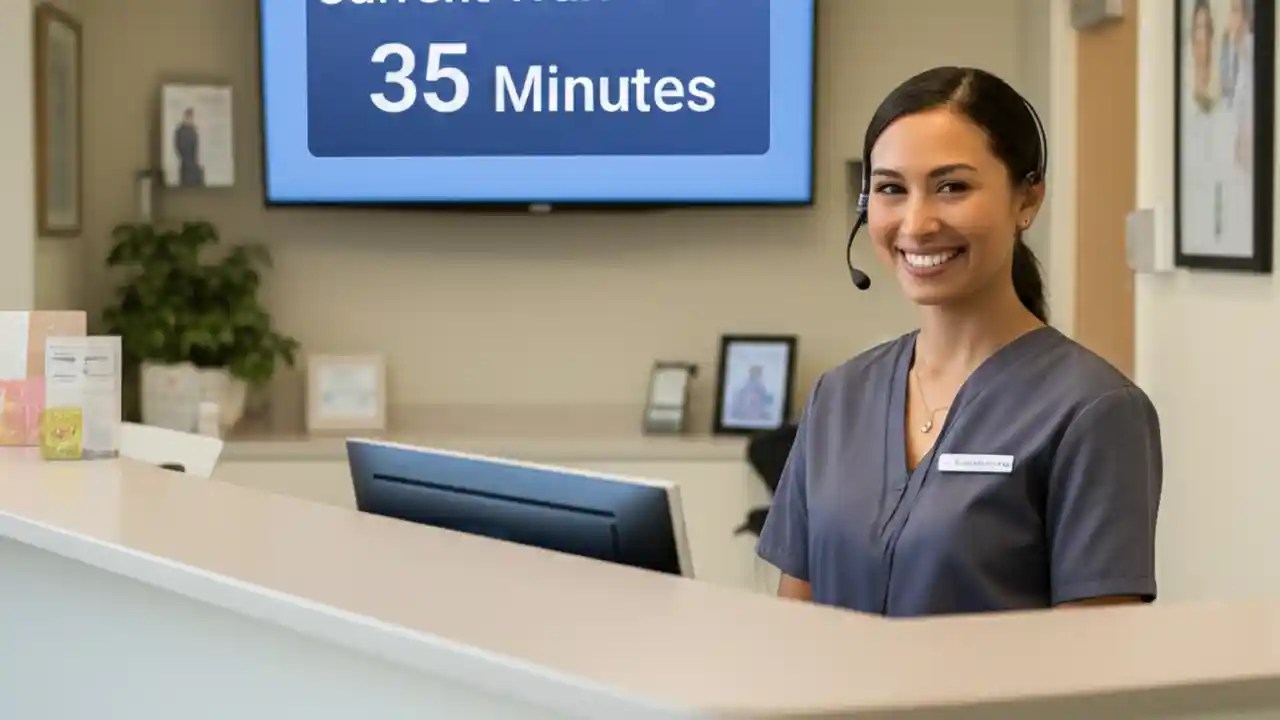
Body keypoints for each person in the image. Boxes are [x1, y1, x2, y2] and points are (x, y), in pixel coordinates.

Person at [755, 66, 1163, 617]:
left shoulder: (1094, 411)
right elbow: (792, 628)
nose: (917, 224)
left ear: (1028, 199)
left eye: (953, 187)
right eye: (891, 189)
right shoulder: (840, 395)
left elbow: (1096, 672)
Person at [174, 108, 205, 187]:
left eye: (191, 117)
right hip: (186, 164)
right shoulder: (180, 131)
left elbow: (196, 148)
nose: (190, 119)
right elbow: (178, 147)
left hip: (194, 164)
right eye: (188, 117)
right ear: (185, 117)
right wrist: (186, 159)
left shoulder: (193, 129)